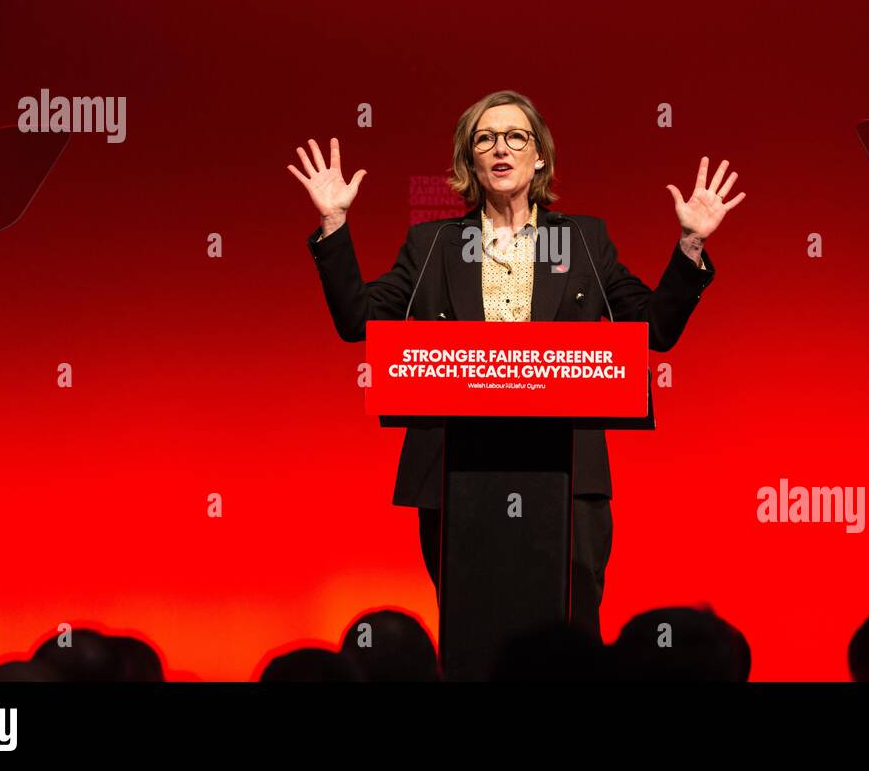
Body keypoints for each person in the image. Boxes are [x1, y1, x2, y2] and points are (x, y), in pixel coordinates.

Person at [288, 89, 745, 640]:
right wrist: (334, 225)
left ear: (540, 157)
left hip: (567, 470)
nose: (500, 149)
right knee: (471, 632)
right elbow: (357, 320)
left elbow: (656, 328)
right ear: (469, 162)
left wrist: (691, 243)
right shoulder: (433, 243)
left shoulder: (579, 240)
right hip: (457, 472)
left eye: (515, 137)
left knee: (570, 635)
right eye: (484, 139)